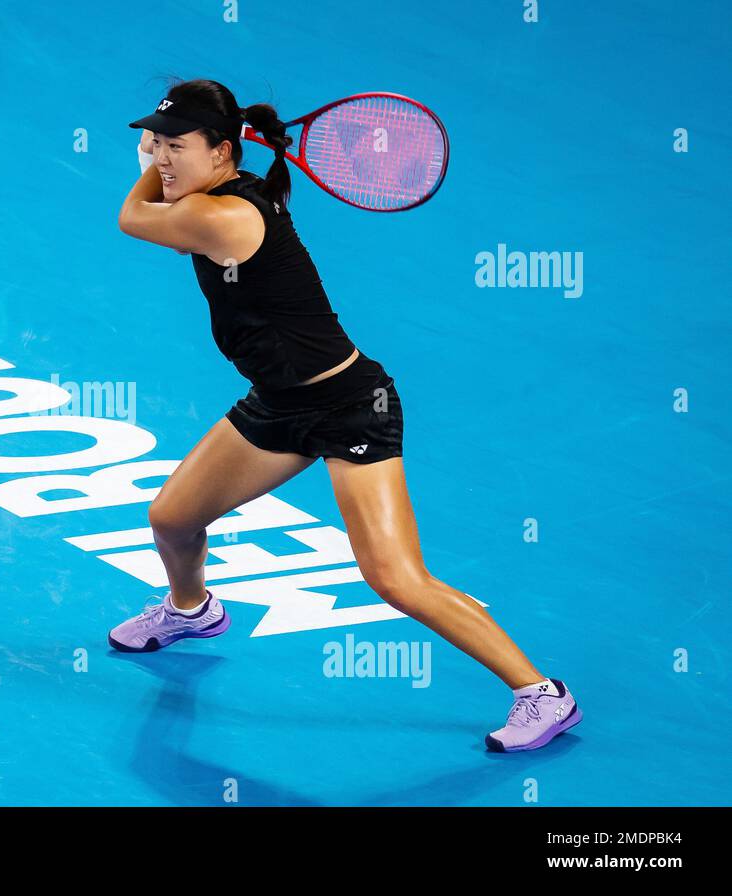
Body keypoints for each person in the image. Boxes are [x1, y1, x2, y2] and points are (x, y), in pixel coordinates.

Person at [108, 78, 581, 753]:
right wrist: (159, 166)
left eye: (174, 146)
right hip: (279, 403)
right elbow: (161, 207)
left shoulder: (218, 217)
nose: (161, 159)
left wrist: (143, 176)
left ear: (222, 153)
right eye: (157, 144)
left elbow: (132, 218)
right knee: (172, 519)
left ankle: (542, 693)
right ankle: (192, 610)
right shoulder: (209, 199)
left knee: (394, 577)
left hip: (350, 409)